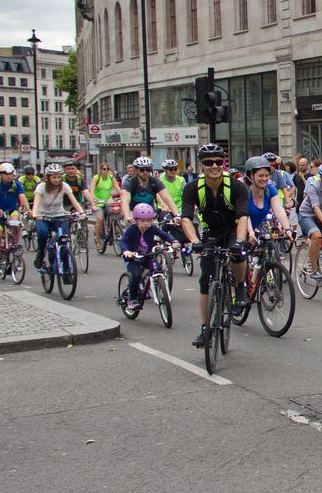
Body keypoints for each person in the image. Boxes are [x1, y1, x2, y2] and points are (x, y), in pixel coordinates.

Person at [179, 143, 249, 348]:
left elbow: (243, 216)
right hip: (211, 233)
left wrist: (239, 241)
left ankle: (239, 286)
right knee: (205, 281)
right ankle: (205, 329)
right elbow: (186, 218)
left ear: (223, 163)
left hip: (232, 229)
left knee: (238, 255)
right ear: (201, 165)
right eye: (209, 163)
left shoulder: (237, 186)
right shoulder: (192, 188)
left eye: (219, 162)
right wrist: (195, 241)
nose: (214, 166)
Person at [119, 203, 179, 311]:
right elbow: (123, 241)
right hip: (133, 258)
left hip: (147, 256)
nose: (146, 223)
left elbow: (164, 235)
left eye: (149, 220)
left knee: (158, 269)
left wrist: (173, 241)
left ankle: (157, 287)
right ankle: (132, 300)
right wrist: (126, 251)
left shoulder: (152, 229)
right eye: (143, 221)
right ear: (136, 220)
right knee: (136, 275)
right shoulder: (132, 229)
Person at [31, 164, 85, 272]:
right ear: (48, 177)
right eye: (54, 177)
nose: (56, 180)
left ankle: (66, 269)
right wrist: (35, 214)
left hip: (59, 215)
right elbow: (36, 203)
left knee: (63, 239)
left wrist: (82, 212)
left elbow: (74, 201)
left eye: (59, 177)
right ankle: (41, 255)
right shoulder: (41, 187)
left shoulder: (65, 186)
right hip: (43, 216)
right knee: (43, 233)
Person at [0, 163, 32, 275]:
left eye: (10, 174)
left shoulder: (17, 185)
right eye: (5, 174)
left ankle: (15, 243)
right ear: (0, 175)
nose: (8, 176)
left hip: (12, 211)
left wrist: (29, 210)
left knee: (16, 221)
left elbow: (22, 197)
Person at [242, 156, 294, 247]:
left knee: (270, 248)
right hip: (242, 226)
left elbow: (278, 209)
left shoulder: (269, 187)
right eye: (260, 176)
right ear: (251, 176)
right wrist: (250, 232)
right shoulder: (243, 189)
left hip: (260, 226)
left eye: (267, 175)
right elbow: (244, 215)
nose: (264, 179)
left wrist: (287, 229)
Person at [121, 156, 179, 222]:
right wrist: (127, 216)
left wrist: (176, 215)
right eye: (142, 170)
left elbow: (168, 199)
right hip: (133, 213)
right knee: (130, 226)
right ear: (136, 171)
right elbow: (124, 200)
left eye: (148, 169)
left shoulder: (155, 182)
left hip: (150, 213)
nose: (145, 172)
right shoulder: (129, 183)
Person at [91, 163, 120, 246]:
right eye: (104, 169)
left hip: (108, 199)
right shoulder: (96, 178)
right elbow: (91, 190)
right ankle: (97, 240)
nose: (106, 171)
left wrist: (123, 196)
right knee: (100, 219)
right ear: (100, 170)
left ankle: (115, 229)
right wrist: (93, 201)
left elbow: (118, 189)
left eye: (107, 169)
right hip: (98, 201)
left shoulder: (111, 177)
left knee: (115, 212)